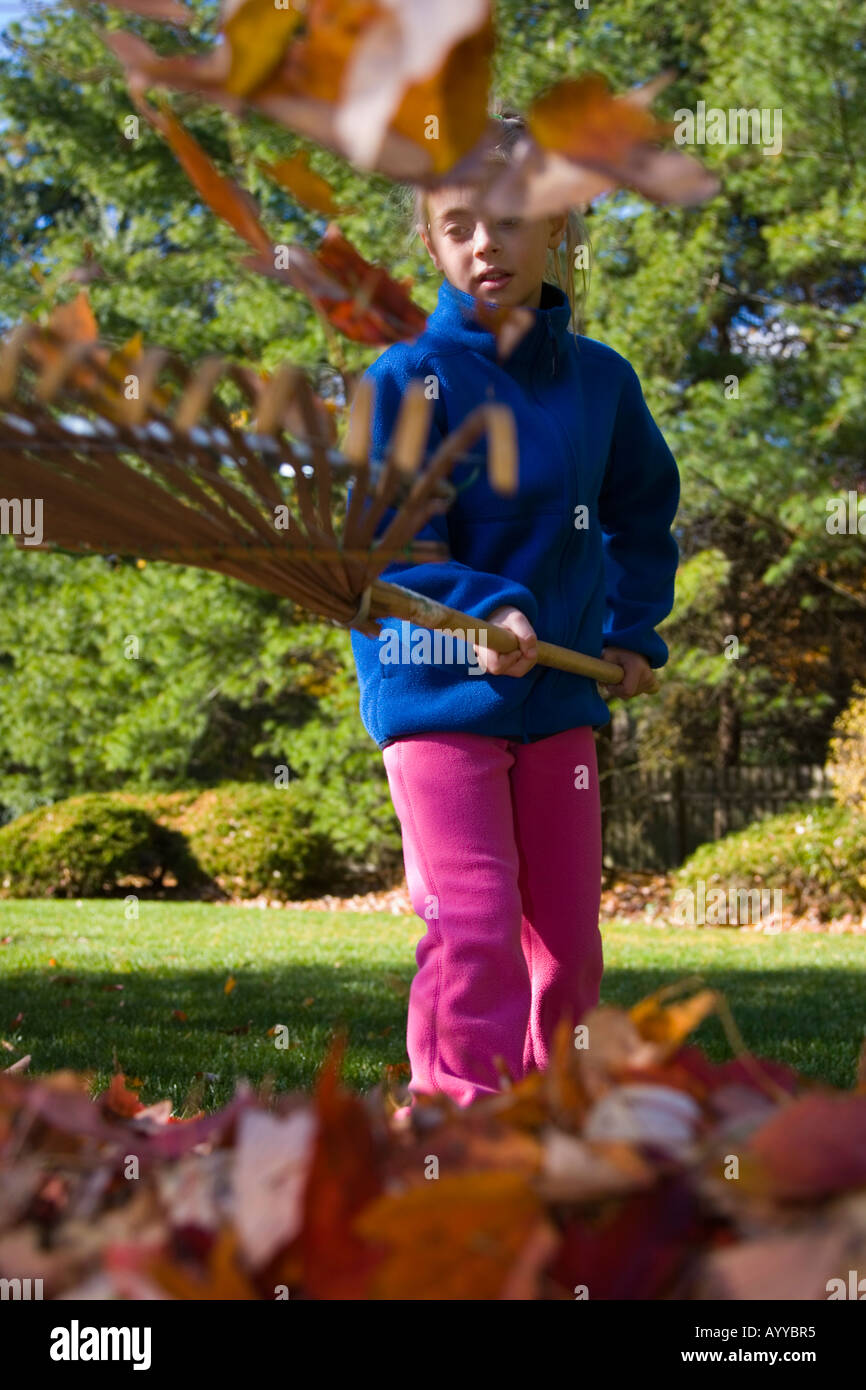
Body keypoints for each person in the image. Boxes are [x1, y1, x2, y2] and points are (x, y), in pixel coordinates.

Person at [346, 110, 680, 1116]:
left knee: (569, 939)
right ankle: (451, 1116)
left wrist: (628, 631)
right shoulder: (403, 381)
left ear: (555, 224)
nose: (483, 243)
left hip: (559, 706)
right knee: (476, 919)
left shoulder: (600, 382)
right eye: (456, 226)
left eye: (506, 220)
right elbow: (386, 551)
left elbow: (640, 512)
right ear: (431, 243)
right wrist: (485, 613)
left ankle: (548, 1111)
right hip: (434, 694)